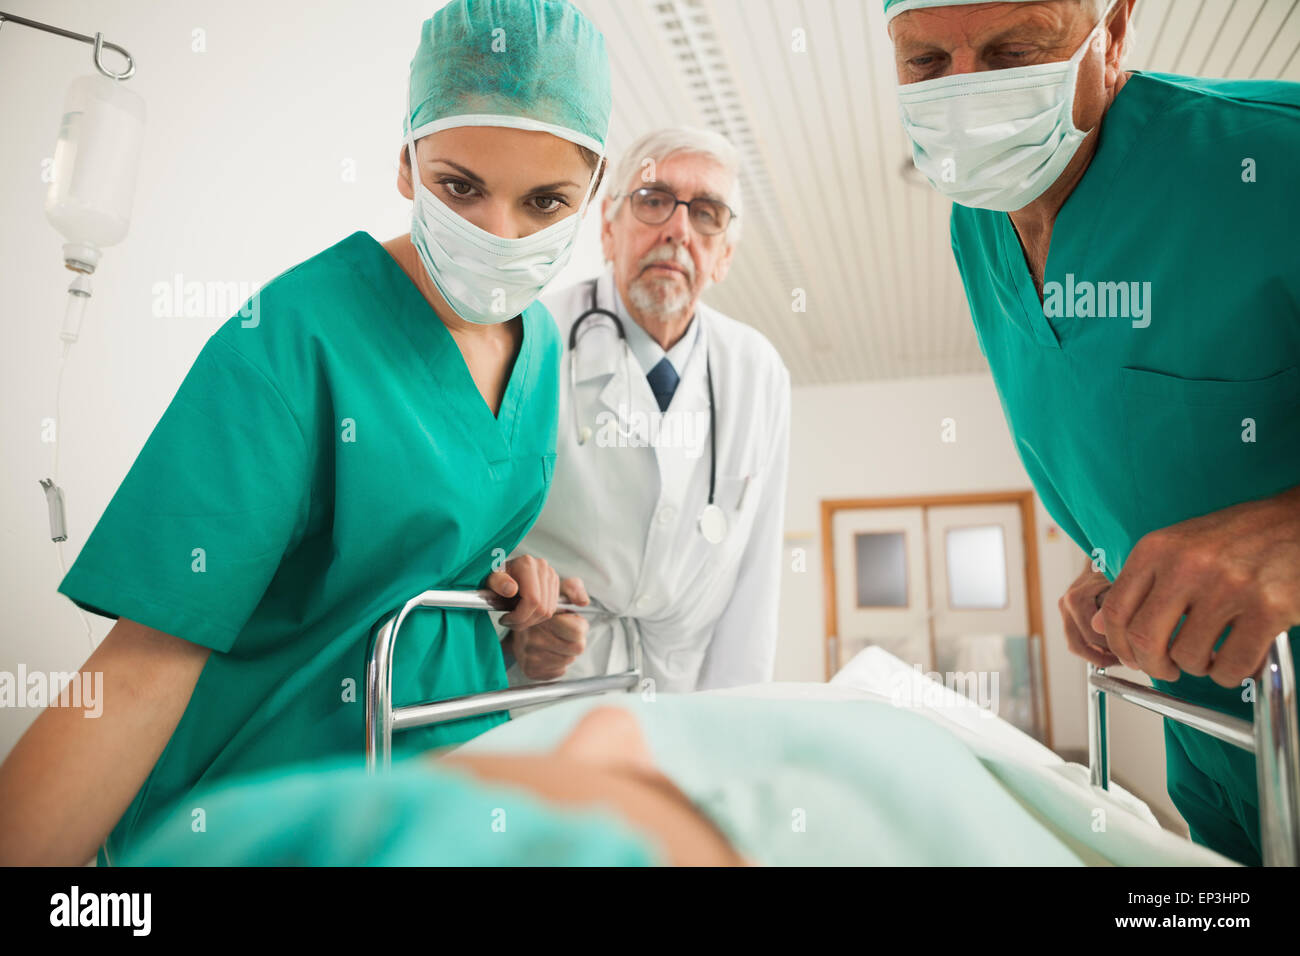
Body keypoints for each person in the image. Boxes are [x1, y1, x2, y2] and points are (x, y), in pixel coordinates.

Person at [0, 0, 611, 866]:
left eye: (546, 201)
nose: (496, 235)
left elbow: (426, 550)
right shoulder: (287, 339)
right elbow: (143, 666)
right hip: (254, 822)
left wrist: (506, 610)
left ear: (594, 192)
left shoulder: (542, 348)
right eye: (460, 186)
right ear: (406, 162)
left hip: (444, 804)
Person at [885, 0, 1300, 864]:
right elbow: (1141, 426)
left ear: (1111, 35)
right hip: (1232, 769)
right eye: (925, 62)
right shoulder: (979, 229)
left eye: (1014, 51)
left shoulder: (1272, 159)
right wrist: (1111, 552)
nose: (968, 95)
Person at [503, 128, 792, 693]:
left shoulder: (758, 371)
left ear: (725, 255)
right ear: (608, 231)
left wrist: (732, 737)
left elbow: (756, 584)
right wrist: (509, 628)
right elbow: (480, 546)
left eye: (707, 213)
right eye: (654, 201)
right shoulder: (529, 339)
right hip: (544, 697)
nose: (678, 230)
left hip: (680, 702)